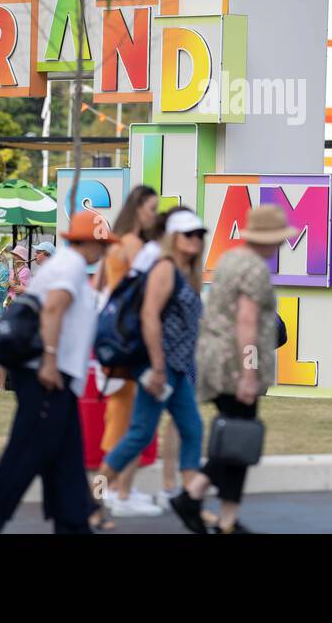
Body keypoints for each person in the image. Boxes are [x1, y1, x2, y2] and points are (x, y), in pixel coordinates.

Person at [0, 210, 116, 534]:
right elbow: (54, 308)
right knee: (24, 456)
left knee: (67, 462)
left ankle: (73, 523)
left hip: (58, 380)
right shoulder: (71, 266)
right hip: (47, 378)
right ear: (92, 241)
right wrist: (49, 359)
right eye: (103, 244)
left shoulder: (69, 266)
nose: (105, 251)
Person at [172, 203, 296, 534]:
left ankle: (223, 514)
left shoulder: (230, 261)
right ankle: (195, 497)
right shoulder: (254, 270)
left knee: (236, 437)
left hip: (217, 361)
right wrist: (250, 371)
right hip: (235, 367)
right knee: (238, 439)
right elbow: (247, 322)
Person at [96, 208, 207, 516]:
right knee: (140, 433)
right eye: (188, 234)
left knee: (192, 427)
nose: (195, 240)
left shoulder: (185, 272)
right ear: (174, 237)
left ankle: (187, 495)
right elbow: (148, 316)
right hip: (159, 365)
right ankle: (97, 494)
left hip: (176, 367)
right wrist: (157, 367)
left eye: (199, 234)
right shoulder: (165, 268)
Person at [95, 184, 162, 521]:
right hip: (131, 337)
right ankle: (118, 490)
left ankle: (115, 489)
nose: (155, 215)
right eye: (152, 208)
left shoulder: (115, 246)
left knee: (120, 415)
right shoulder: (135, 246)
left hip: (113, 337)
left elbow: (98, 290)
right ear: (138, 209)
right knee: (128, 419)